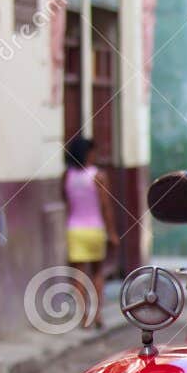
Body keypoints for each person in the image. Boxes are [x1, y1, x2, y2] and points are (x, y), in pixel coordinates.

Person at [63, 134, 118, 328]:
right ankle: (97, 315)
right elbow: (105, 207)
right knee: (97, 273)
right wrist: (111, 232)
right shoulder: (98, 176)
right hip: (94, 229)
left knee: (78, 274)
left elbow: (68, 203)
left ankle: (83, 316)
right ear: (88, 154)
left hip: (74, 229)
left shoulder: (68, 176)